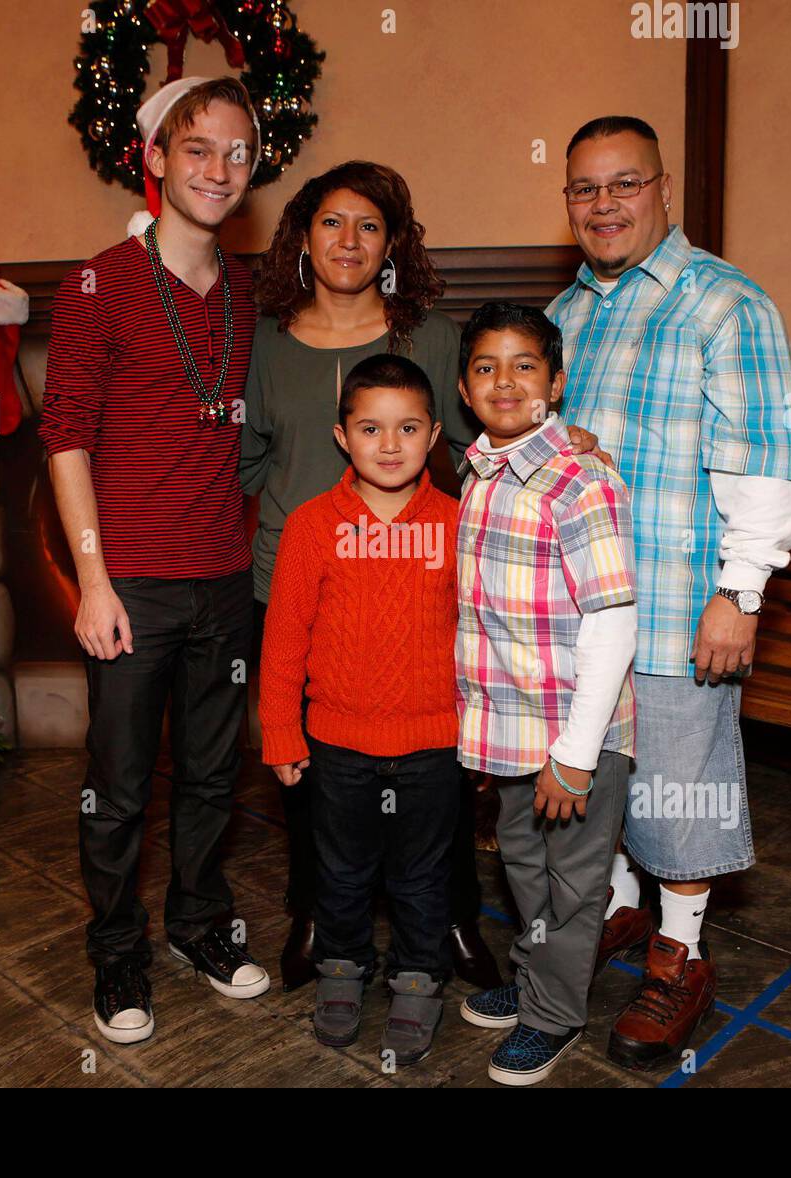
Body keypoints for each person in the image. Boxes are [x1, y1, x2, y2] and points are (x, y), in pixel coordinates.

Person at [546, 116, 791, 1070]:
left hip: (675, 603)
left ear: (663, 189)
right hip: (582, 612)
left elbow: (766, 460)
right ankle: (617, 909)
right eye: (584, 189)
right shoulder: (567, 312)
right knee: (605, 776)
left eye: (623, 184)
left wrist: (741, 592)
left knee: (679, 790)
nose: (603, 204)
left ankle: (680, 955)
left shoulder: (728, 306)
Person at [40, 76, 271, 1046]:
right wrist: (92, 580)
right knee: (122, 784)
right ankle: (117, 948)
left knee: (215, 776)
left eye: (238, 153)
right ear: (157, 158)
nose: (219, 169)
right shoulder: (97, 282)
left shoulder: (255, 291)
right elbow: (65, 439)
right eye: (199, 149)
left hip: (224, 579)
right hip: (129, 584)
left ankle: (198, 924)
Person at [239, 161, 501, 991]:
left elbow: (482, 444)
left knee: (438, 780)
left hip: (420, 587)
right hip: (295, 582)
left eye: (369, 227)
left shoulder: (430, 336)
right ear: (302, 238)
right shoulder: (266, 341)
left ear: (392, 244)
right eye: (330, 223)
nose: (348, 242)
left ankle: (453, 920)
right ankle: (319, 921)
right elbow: (247, 464)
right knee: (313, 782)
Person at [454, 302, 638, 1086]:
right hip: (513, 731)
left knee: (573, 883)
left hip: (574, 737)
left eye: (525, 366)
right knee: (525, 866)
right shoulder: (481, 471)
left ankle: (555, 1017)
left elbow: (613, 621)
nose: (505, 382)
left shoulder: (578, 480)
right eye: (487, 367)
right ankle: (537, 984)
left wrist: (575, 754)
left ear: (556, 382)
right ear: (464, 387)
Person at [260, 354, 460, 1066]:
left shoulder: (457, 523)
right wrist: (282, 730)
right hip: (337, 742)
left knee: (422, 872)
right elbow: (285, 636)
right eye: (370, 427)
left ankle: (418, 974)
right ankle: (341, 969)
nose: (389, 443)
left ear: (434, 433)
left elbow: (480, 635)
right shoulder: (313, 525)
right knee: (339, 871)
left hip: (435, 741)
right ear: (342, 436)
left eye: (407, 427)